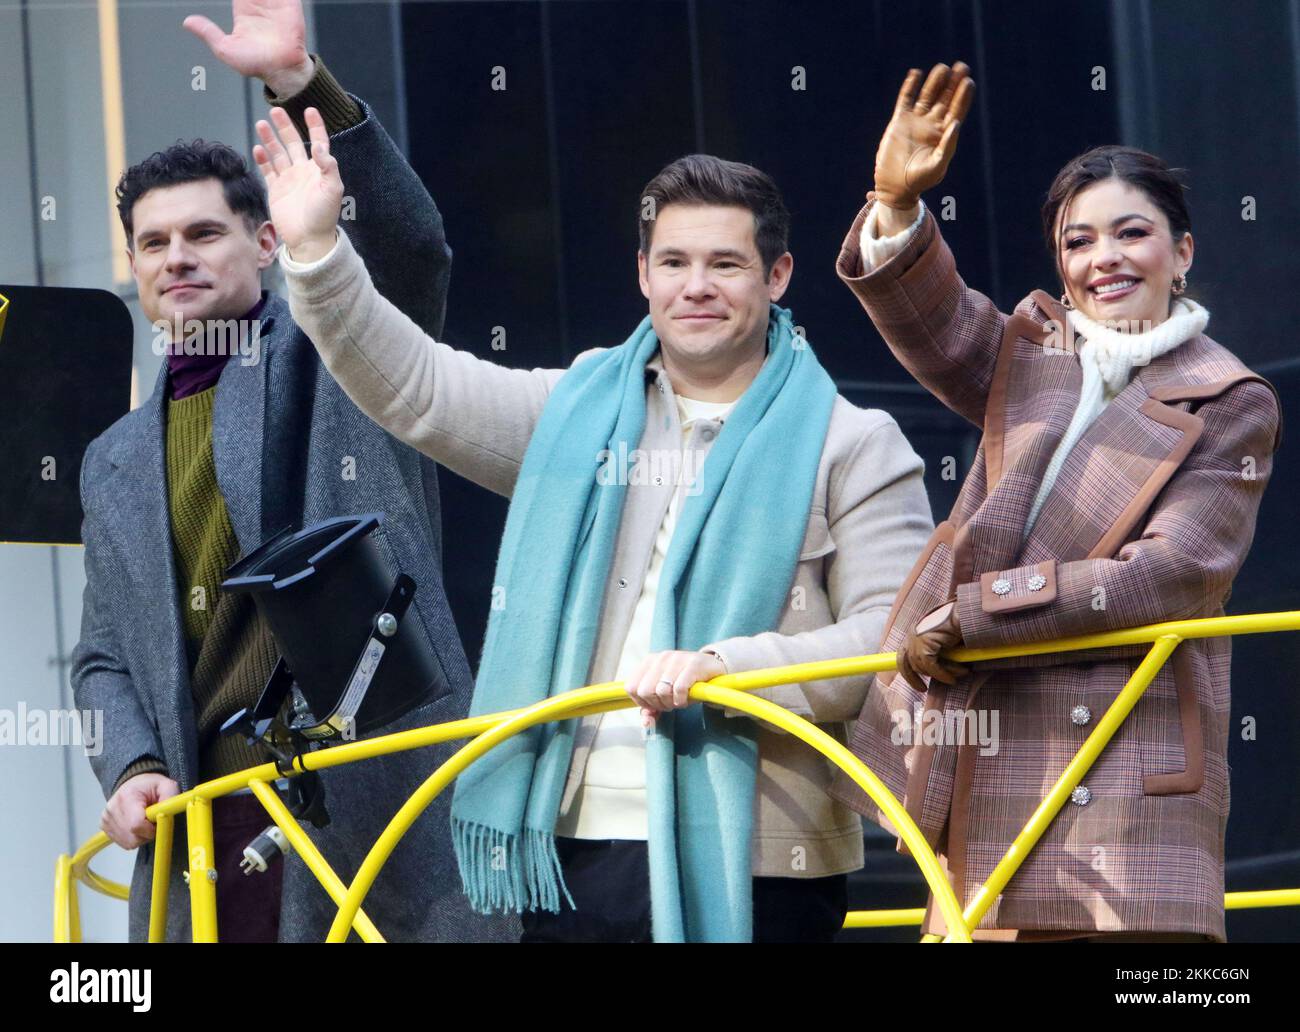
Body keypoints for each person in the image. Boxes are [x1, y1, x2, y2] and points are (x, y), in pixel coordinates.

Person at [253, 106, 936, 941]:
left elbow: (888, 647)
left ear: (779, 275)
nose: (697, 286)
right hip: (575, 847)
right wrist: (318, 252)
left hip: (764, 861)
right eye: (675, 261)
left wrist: (728, 667)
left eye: (727, 262)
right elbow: (417, 388)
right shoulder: (575, 411)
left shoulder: (857, 442)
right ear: (643, 273)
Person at [70, 0, 515, 943]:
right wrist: (129, 765)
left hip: (366, 801)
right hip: (204, 821)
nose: (176, 259)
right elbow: (104, 655)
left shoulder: (332, 347)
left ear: (266, 244)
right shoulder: (110, 459)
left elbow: (408, 249)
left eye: (204, 235)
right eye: (154, 243)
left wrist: (301, 83)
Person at [829, 61, 1282, 941]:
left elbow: (1171, 573)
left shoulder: (1232, 398)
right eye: (1078, 243)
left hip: (1123, 762)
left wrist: (974, 615)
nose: (1103, 259)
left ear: (1181, 253)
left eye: (1130, 234)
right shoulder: (1030, 357)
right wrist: (893, 205)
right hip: (985, 748)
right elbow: (935, 323)